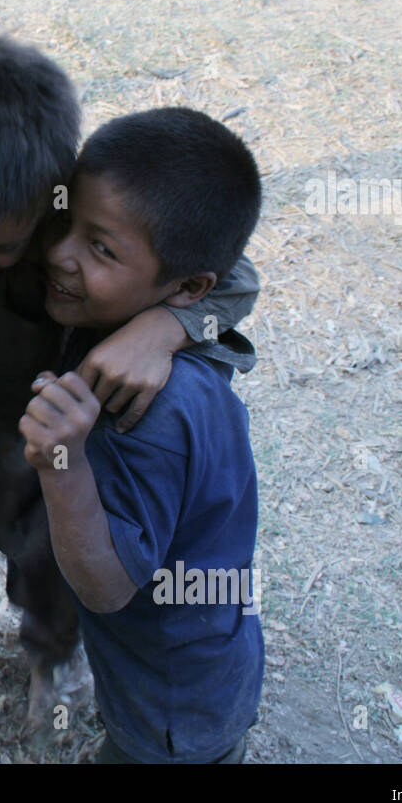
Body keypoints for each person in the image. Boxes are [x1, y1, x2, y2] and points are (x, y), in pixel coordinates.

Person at [0, 34, 261, 734]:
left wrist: (165, 327)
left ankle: (49, 662)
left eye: (4, 250)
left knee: (51, 586)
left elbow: (232, 278)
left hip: (43, 467)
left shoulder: (55, 223)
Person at [19, 107, 264, 763]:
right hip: (207, 652)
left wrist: (62, 464)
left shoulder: (140, 414)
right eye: (65, 224)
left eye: (99, 248)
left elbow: (106, 588)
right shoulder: (172, 344)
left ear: (189, 288)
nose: (59, 252)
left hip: (170, 703)